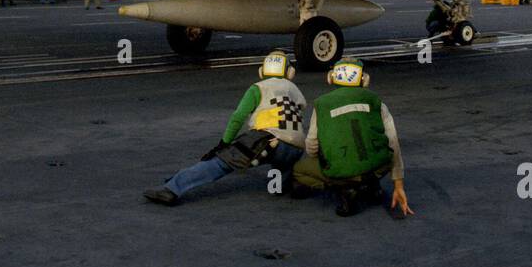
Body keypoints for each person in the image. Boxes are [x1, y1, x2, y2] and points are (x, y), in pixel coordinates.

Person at [144, 50, 307, 206]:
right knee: (282, 161)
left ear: (261, 71)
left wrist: (224, 143)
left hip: (265, 140)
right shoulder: (296, 91)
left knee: (218, 163)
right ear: (290, 73)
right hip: (295, 147)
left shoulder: (258, 88)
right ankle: (284, 185)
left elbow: (238, 118)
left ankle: (172, 189)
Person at [291, 57, 413, 218]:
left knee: (298, 170)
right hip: (378, 168)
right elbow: (393, 142)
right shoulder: (376, 101)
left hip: (341, 170)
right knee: (379, 156)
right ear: (364, 79)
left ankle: (346, 188)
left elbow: (312, 144)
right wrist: (398, 185)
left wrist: (320, 159)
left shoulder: (322, 104)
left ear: (331, 77)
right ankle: (370, 184)